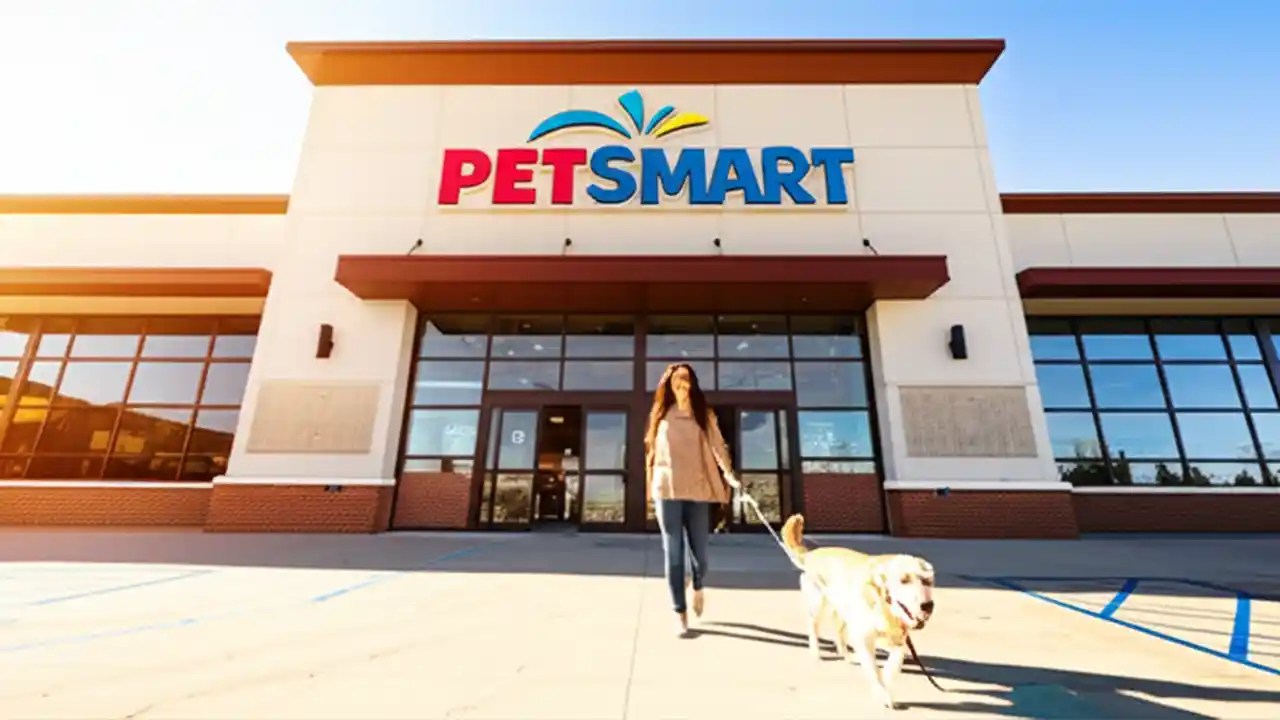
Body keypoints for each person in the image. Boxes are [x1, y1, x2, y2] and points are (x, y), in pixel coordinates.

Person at [645, 362, 741, 636]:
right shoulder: (661, 414)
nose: (682, 385)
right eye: (677, 380)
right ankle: (679, 612)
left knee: (700, 555)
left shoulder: (703, 414)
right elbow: (652, 453)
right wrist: (651, 486)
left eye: (686, 380)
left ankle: (697, 585)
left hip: (698, 491)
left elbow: (718, 445)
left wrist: (728, 474)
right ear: (669, 385)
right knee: (673, 552)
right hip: (668, 490)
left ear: (692, 384)